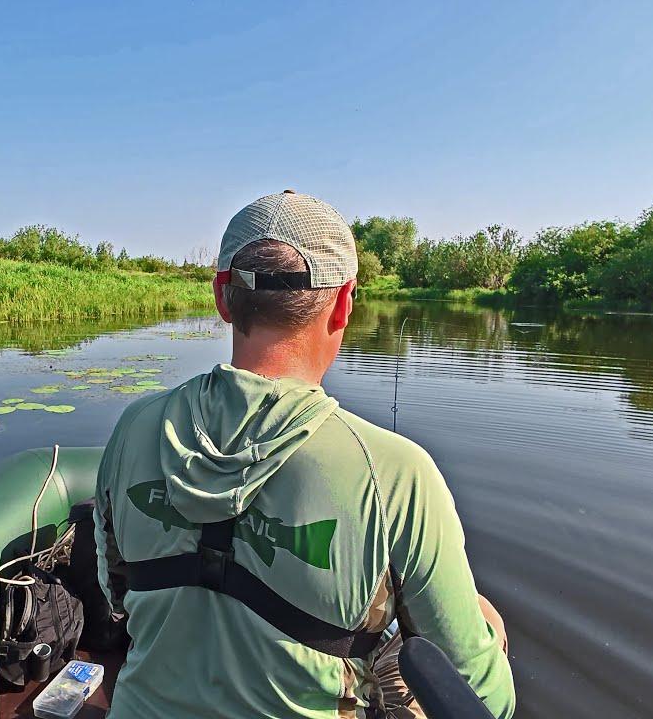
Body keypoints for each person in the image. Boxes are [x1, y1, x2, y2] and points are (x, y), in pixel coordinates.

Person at [93, 190, 515, 718]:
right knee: (482, 621)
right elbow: (484, 699)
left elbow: (115, 596)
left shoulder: (133, 426)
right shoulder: (398, 473)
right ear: (344, 304)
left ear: (222, 296)